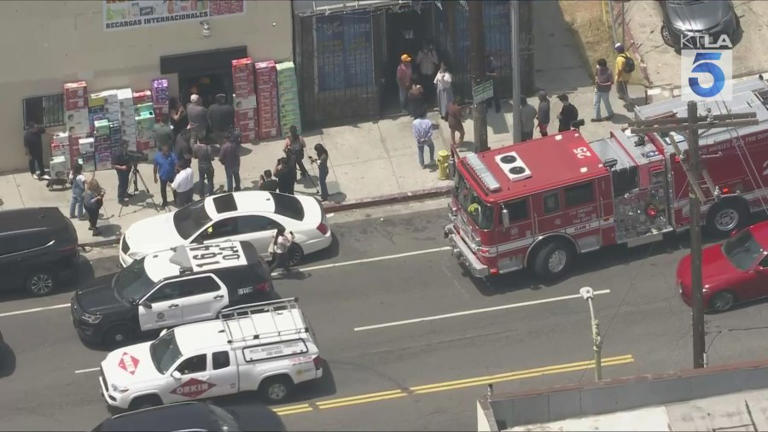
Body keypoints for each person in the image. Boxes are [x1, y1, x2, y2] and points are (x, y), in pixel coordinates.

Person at [153, 143, 177, 208]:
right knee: (163, 189)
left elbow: (176, 165)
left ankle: (176, 200)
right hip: (163, 176)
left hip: (172, 176)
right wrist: (155, 177)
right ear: (162, 151)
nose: (167, 153)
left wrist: (176, 174)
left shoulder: (172, 155)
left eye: (168, 151)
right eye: (166, 151)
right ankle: (164, 201)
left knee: (174, 188)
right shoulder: (157, 157)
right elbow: (155, 167)